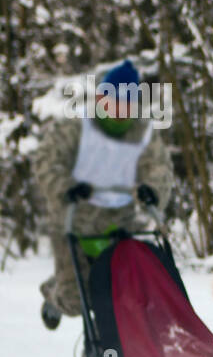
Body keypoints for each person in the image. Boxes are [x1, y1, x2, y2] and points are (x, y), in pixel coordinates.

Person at [34, 59, 174, 329]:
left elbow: (159, 168)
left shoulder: (142, 134)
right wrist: (65, 187)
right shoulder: (77, 127)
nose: (120, 110)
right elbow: (46, 160)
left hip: (119, 222)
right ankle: (55, 294)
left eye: (127, 103)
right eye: (114, 101)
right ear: (101, 98)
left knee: (120, 293)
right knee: (78, 299)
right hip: (73, 219)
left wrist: (152, 191)